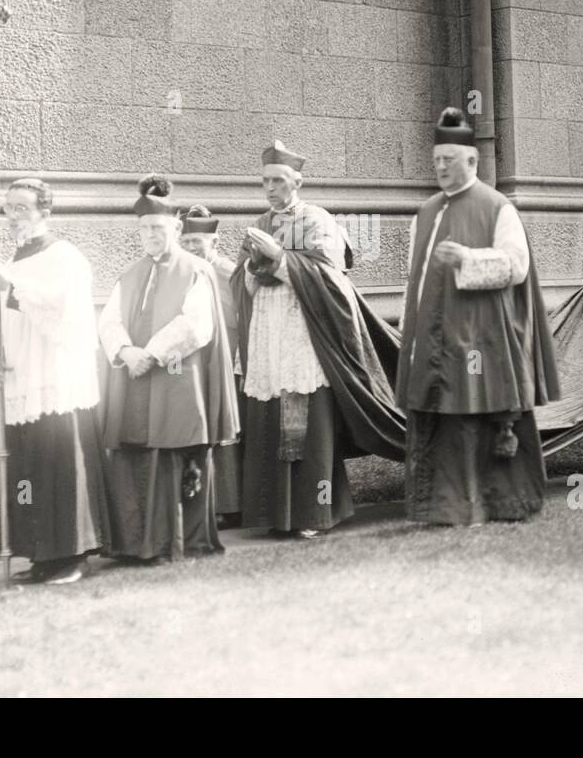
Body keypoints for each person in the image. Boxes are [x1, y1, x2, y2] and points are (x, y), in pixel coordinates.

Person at [231, 142, 405, 538]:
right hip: (268, 334)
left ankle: (313, 513)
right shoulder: (260, 221)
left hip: (303, 335)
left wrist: (280, 261)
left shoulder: (318, 220)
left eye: (278, 181)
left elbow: (332, 278)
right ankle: (276, 514)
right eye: (265, 182)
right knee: (270, 418)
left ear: (298, 182)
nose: (270, 189)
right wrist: (251, 272)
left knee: (304, 421)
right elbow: (240, 279)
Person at [397, 108, 560, 523]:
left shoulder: (497, 206)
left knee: (472, 416)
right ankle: (439, 509)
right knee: (438, 417)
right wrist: (408, 327)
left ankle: (493, 504)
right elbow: (413, 277)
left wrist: (467, 259)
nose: (440, 168)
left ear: (472, 161)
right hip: (431, 336)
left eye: (448, 161)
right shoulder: (426, 210)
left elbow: (516, 266)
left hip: (480, 338)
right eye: (436, 161)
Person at [98, 176, 239, 562]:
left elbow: (196, 325)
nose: (150, 235)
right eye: (144, 228)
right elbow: (109, 320)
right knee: (132, 454)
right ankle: (132, 545)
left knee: (172, 452)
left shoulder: (195, 269)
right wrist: (125, 350)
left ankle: (173, 544)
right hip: (134, 375)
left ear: (175, 228)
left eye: (157, 228)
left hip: (176, 375)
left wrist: (152, 353)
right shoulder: (130, 273)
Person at [0, 178, 111, 585]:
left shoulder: (64, 256)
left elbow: (65, 313)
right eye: (9, 207)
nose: (14, 215)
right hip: (21, 377)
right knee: (26, 472)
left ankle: (71, 554)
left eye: (23, 207)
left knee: (60, 467)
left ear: (45, 213)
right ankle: (38, 551)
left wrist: (13, 288)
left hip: (56, 378)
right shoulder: (12, 260)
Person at [178, 204, 243, 526]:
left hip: (226, 360)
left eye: (197, 243)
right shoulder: (180, 272)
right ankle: (198, 503)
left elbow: (241, 320)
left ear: (214, 243)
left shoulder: (228, 272)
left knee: (223, 429)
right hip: (192, 363)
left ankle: (228, 506)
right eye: (185, 243)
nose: (190, 249)